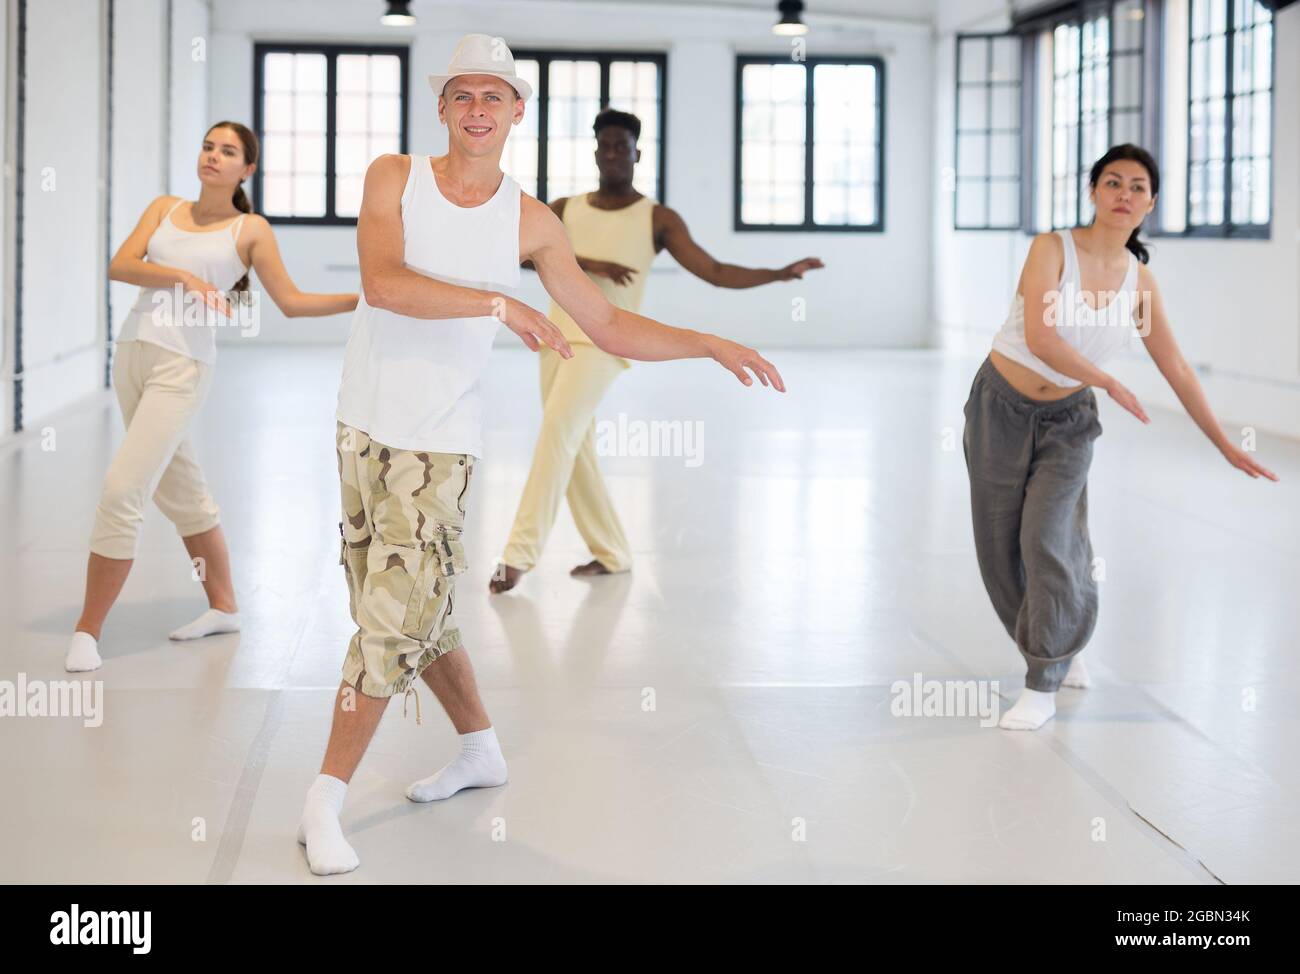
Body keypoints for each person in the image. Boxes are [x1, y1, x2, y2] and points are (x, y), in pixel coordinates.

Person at [298, 34, 786, 876]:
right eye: (464, 96)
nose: (479, 110)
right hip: (362, 425)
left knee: (386, 624)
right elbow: (383, 283)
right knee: (422, 610)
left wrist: (705, 340)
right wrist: (499, 303)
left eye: (495, 97)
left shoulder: (529, 220)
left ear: (518, 110)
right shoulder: (393, 177)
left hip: (439, 445)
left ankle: (323, 799)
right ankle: (481, 749)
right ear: (443, 107)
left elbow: (605, 324)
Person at [962, 143, 1278, 732]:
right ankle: (1057, 642)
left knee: (1049, 539)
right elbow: (1040, 337)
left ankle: (1044, 676)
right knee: (1001, 550)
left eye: (1137, 187)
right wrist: (1108, 379)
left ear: (1150, 203)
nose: (1124, 194)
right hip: (999, 408)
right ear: (1093, 193)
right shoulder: (1050, 249)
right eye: (1113, 182)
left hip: (1069, 422)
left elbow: (1177, 368)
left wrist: (1225, 444)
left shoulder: (1141, 284)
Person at [489, 107, 823, 592]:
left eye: (621, 146)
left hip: (605, 341)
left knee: (558, 432)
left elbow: (715, 271)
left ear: (637, 153)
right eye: (604, 146)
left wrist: (779, 274)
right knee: (574, 443)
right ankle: (613, 552)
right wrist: (583, 261)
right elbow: (521, 255)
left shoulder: (657, 219)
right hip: (555, 334)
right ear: (595, 152)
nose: (612, 155)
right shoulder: (563, 208)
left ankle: (518, 555)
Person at [65, 121, 358, 673]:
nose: (214, 156)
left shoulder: (249, 230)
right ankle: (224, 606)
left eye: (228, 152)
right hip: (133, 351)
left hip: (182, 365)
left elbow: (291, 302)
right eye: (208, 146)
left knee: (123, 488)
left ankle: (87, 629)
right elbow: (121, 266)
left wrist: (363, 300)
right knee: (182, 489)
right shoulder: (163, 208)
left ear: (246, 169)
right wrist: (183, 278)